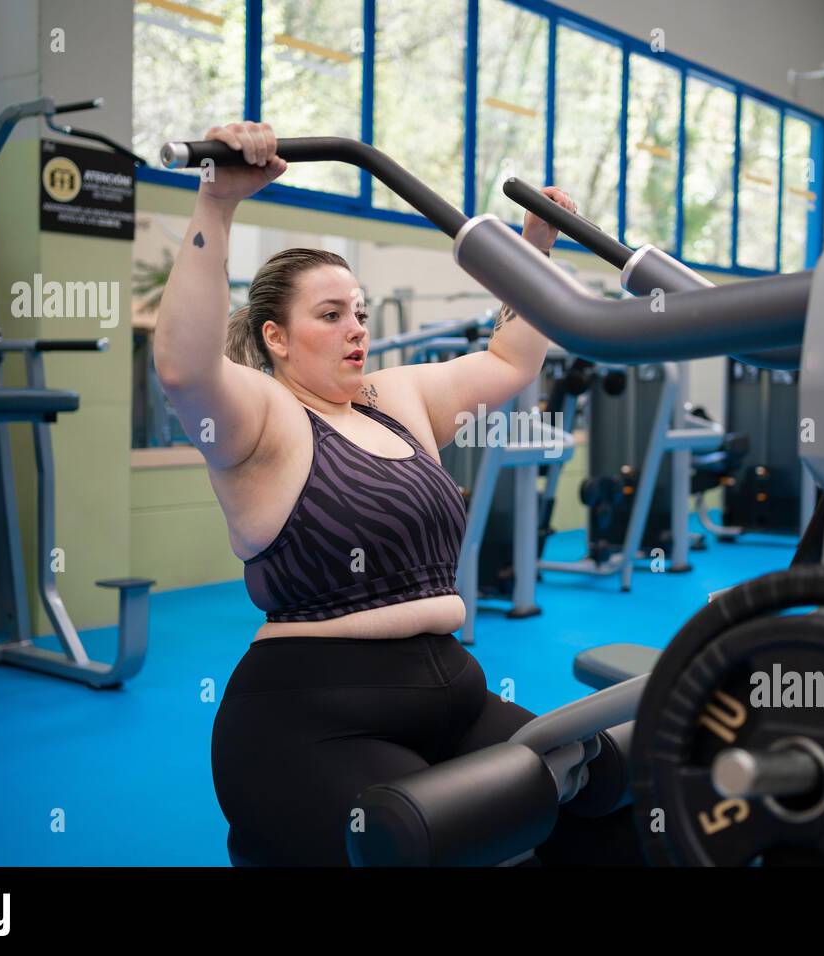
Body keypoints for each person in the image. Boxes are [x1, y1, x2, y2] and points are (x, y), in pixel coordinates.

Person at [154, 121, 645, 866]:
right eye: (330, 315)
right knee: (433, 845)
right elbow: (185, 371)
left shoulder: (395, 396)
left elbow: (511, 358)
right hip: (311, 717)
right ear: (276, 339)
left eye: (358, 311)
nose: (355, 328)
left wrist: (532, 248)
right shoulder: (264, 417)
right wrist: (217, 206)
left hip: (455, 695)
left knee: (611, 794)